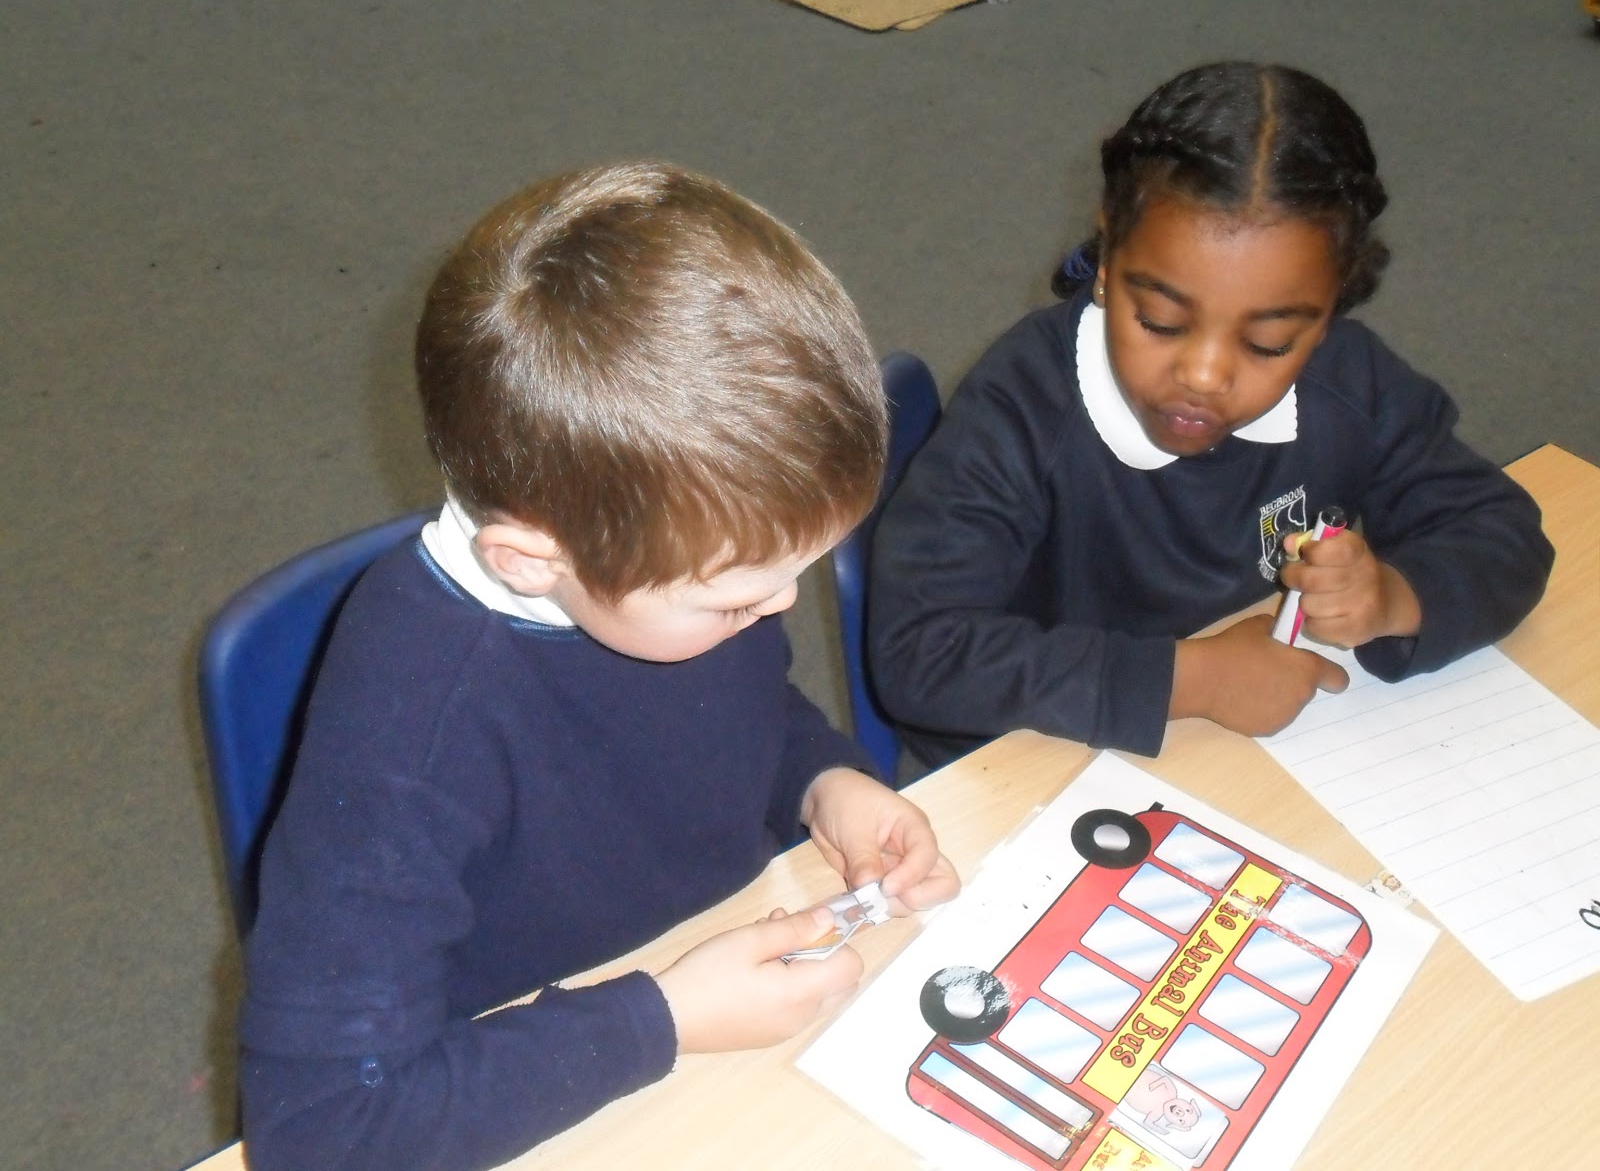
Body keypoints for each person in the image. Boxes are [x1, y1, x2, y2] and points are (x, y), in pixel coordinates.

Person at [237, 160, 960, 1171]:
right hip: (542, 1089)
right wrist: (661, 1021)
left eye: (798, 569)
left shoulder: (677, 572)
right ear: (536, 560)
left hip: (719, 982)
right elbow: (320, 1132)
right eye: (738, 595)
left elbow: (734, 700)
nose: (780, 609)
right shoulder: (410, 737)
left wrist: (821, 780)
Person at [868, 61, 1554, 771]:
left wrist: (1393, 598)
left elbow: (1502, 532)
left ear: (1327, 317)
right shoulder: (1024, 407)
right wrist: (1192, 678)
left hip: (1260, 755)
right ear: (1108, 259)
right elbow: (921, 656)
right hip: (1051, 761)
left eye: (1267, 344)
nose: (1203, 375)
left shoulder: (1351, 383)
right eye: (1161, 320)